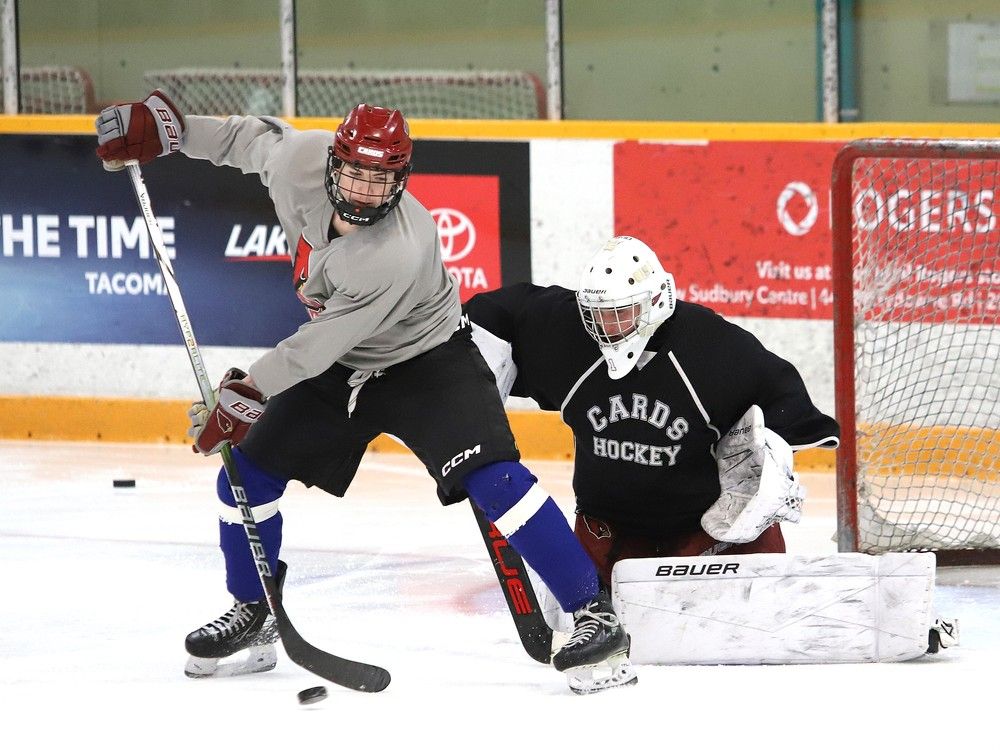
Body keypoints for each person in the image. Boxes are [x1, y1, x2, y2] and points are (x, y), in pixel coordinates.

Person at [93, 92, 636, 694]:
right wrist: (170, 131)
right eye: (355, 173)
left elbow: (318, 344)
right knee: (244, 477)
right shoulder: (300, 160)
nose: (366, 192)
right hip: (343, 366)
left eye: (382, 180)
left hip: (428, 363)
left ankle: (592, 612)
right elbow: (244, 140)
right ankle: (253, 610)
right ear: (333, 162)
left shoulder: (394, 252)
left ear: (400, 180)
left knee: (496, 480)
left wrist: (249, 392)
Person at [464, 235, 841, 586]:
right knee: (584, 606)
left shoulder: (712, 347)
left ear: (656, 300)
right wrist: (468, 359)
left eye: (621, 313)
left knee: (760, 576)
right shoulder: (571, 334)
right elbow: (502, 311)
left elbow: (786, 399)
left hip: (705, 534)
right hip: (609, 531)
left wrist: (775, 454)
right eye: (599, 313)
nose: (607, 327)